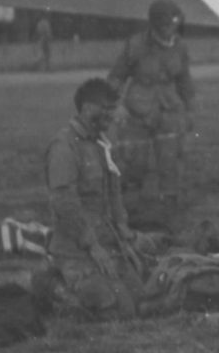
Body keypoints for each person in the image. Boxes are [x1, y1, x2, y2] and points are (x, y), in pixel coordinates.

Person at [41, 78, 143, 318]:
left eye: (112, 108)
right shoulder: (64, 147)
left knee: (140, 301)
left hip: (106, 245)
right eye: (105, 108)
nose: (111, 114)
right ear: (87, 108)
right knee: (116, 310)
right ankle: (51, 285)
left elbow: (113, 194)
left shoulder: (100, 145)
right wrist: (92, 245)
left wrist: (124, 236)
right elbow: (64, 203)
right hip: (76, 250)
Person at [108, 0, 195, 225]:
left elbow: (185, 82)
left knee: (170, 165)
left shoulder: (180, 47)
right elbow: (116, 77)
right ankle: (129, 216)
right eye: (167, 25)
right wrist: (115, 107)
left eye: (174, 24)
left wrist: (190, 113)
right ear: (156, 25)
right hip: (137, 112)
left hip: (169, 113)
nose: (171, 29)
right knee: (133, 165)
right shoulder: (136, 45)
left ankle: (170, 217)